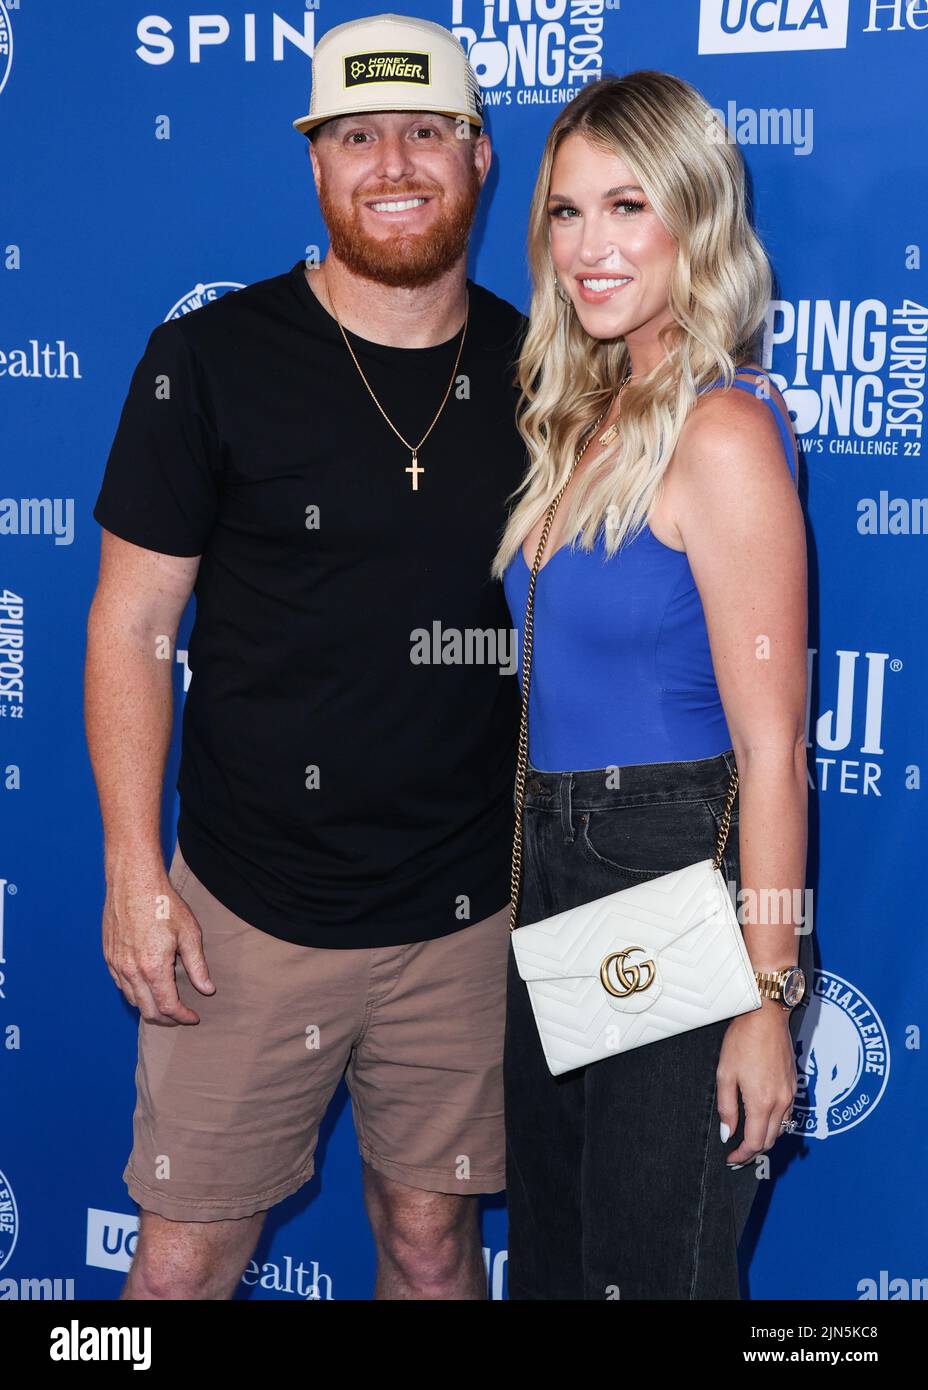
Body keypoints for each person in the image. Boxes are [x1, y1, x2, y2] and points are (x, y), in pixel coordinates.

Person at [85, 13, 527, 1301]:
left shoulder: (544, 367)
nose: (393, 162)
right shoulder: (207, 362)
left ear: (480, 156)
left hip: (466, 913)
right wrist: (132, 870)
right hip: (249, 911)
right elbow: (129, 624)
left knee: (436, 1246)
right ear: (316, 164)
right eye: (356, 134)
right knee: (175, 1269)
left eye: (426, 130)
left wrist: (739, 399)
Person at [493, 70, 814, 1300]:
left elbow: (773, 750)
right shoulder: (586, 413)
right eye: (566, 214)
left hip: (673, 867)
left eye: (626, 207)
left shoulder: (722, 432)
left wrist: (766, 991)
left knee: (649, 1274)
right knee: (566, 1267)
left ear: (693, 216)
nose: (589, 247)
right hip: (559, 859)